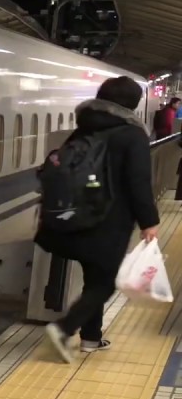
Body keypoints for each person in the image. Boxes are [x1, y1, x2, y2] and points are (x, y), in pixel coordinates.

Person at [40, 76, 160, 361]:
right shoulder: (132, 134)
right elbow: (138, 181)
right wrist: (149, 221)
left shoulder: (84, 128)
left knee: (94, 278)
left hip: (75, 215)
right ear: (133, 104)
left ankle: (91, 338)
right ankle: (63, 328)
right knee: (103, 283)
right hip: (109, 220)